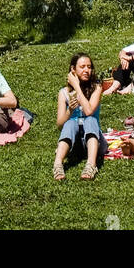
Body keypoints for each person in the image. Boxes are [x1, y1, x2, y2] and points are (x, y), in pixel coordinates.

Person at [52, 53, 104, 181]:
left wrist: (77, 87)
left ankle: (91, 165)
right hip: (74, 144)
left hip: (93, 142)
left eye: (89, 67)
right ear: (73, 69)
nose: (87, 70)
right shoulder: (63, 93)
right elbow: (59, 124)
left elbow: (89, 111)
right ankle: (58, 164)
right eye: (82, 67)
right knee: (70, 123)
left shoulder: (97, 87)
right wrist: (69, 110)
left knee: (90, 120)